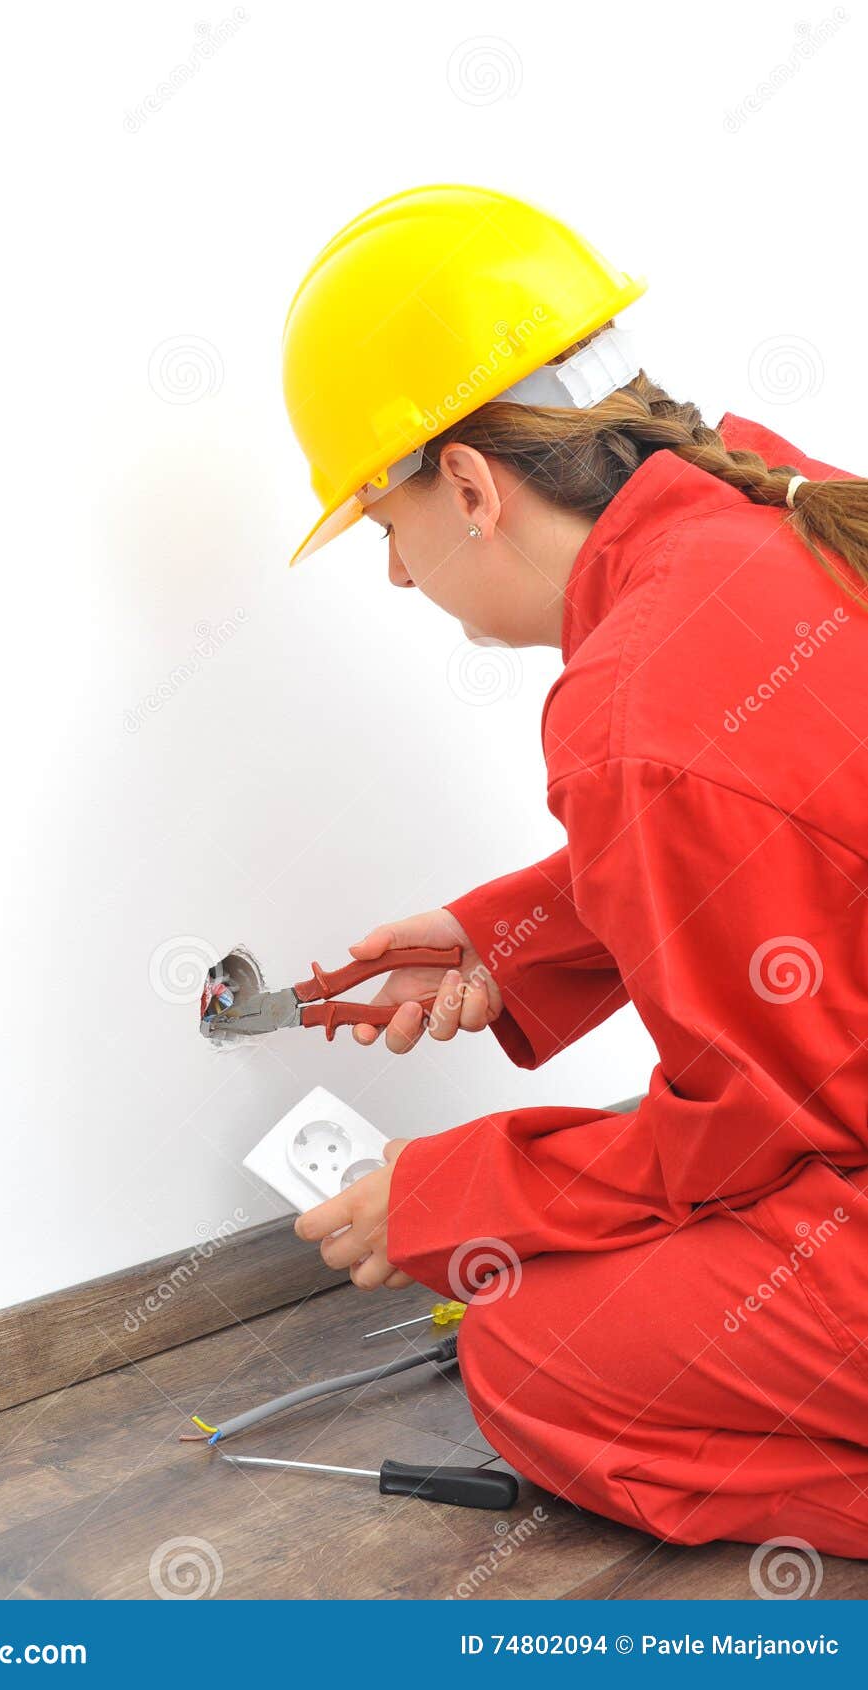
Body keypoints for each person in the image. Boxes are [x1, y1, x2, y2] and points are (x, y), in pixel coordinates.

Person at [285, 184, 868, 1556]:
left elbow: (763, 1131)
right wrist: (516, 934)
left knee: (535, 1354)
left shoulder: (637, 704)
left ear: (472, 487)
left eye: (382, 524)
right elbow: (789, 831)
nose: (392, 573)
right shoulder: (778, 498)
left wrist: (449, 1189)